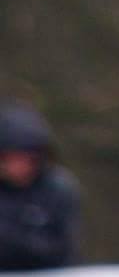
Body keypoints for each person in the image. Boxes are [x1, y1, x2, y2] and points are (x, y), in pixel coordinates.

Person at [0, 101, 78, 270]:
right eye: (11, 158)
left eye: (26, 159)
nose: (18, 166)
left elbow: (62, 249)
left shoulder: (58, 190)